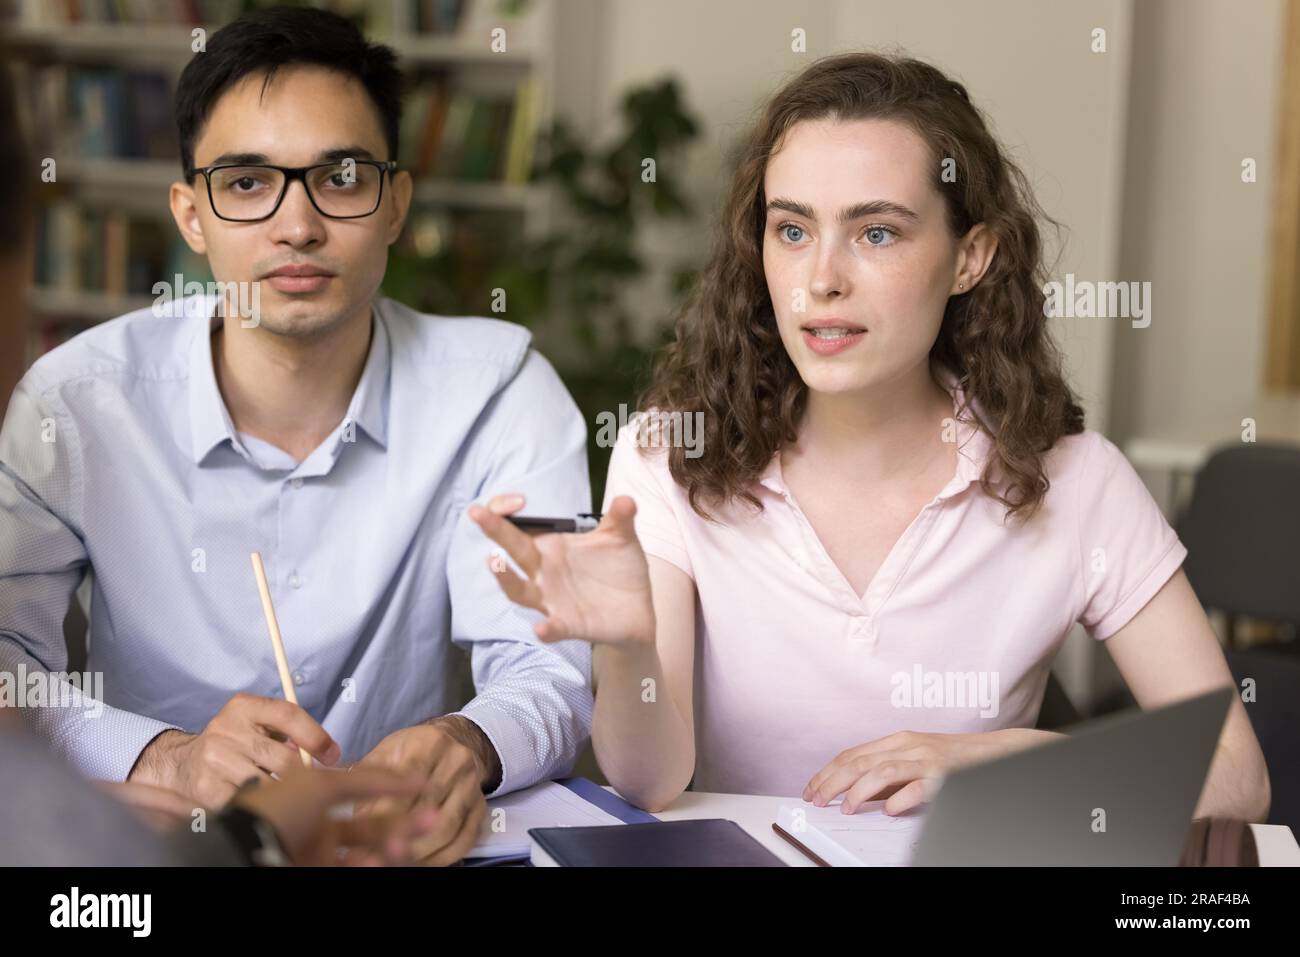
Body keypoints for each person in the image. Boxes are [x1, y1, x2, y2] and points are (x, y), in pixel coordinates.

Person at [470, 51, 1270, 820]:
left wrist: (1006, 757)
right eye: (792, 230)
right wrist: (629, 648)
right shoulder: (667, 454)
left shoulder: (1078, 480)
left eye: (877, 232)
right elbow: (648, 784)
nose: (822, 278)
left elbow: (1237, 775)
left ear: (971, 258)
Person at [0, 7, 593, 866]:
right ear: (190, 215)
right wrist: (170, 754)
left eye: (341, 177)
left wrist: (468, 743)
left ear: (395, 204)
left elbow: (549, 668)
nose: (297, 225)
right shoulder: (72, 402)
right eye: (247, 184)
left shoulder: (500, 389)